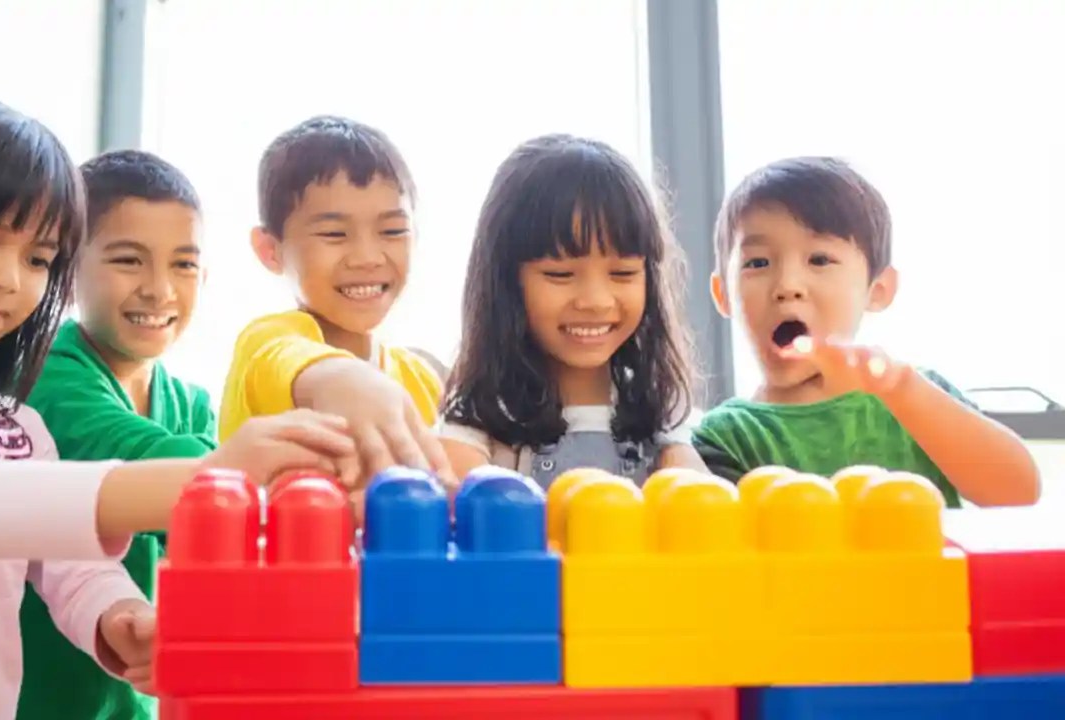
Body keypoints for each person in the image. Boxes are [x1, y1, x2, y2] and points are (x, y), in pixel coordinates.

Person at [0, 95, 353, 720]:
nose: (10, 278)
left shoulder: (17, 426)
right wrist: (211, 478)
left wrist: (120, 615)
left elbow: (69, 566)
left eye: (37, 258)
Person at [691, 156, 1039, 507]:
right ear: (723, 295)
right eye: (758, 263)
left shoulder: (918, 400)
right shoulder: (725, 437)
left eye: (820, 260)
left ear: (878, 289)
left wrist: (902, 388)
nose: (788, 285)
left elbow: (1018, 494)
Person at [16, 150, 213, 720]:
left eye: (184, 265)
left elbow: (213, 551)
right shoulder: (47, 375)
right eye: (129, 261)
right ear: (67, 267)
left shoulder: (193, 404)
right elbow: (155, 463)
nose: (160, 290)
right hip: (42, 704)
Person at [438, 134, 707, 488]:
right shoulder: (479, 418)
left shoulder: (657, 411)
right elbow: (459, 508)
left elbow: (702, 507)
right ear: (505, 282)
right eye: (560, 274)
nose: (596, 300)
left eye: (623, 273)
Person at [220, 115, 451, 486]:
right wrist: (341, 380)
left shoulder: (420, 378)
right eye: (334, 233)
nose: (367, 257)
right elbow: (287, 357)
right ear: (269, 250)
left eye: (392, 231)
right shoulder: (268, 339)